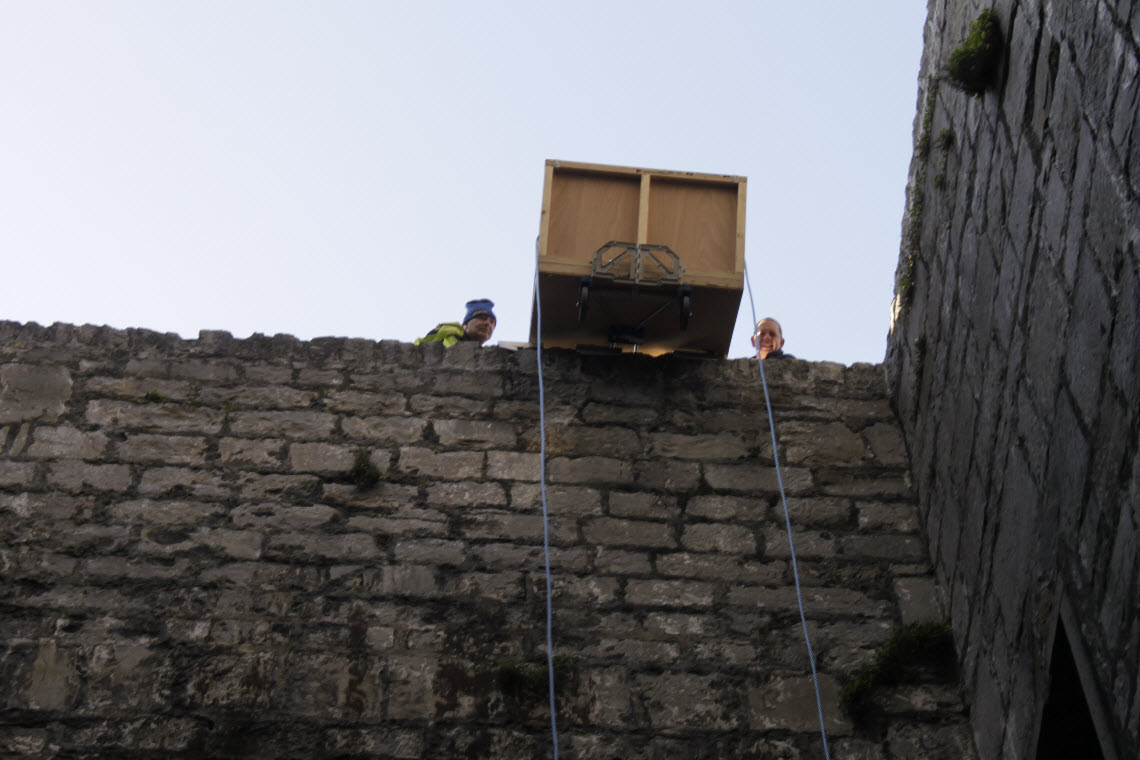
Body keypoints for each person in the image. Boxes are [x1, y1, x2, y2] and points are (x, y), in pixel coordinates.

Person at [414, 299, 497, 348]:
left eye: (492, 322)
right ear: (466, 324)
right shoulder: (446, 333)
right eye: (482, 318)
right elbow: (418, 349)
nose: (487, 323)